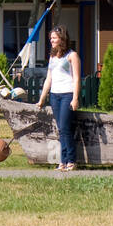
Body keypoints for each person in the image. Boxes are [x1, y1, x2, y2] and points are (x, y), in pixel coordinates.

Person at [36, 25, 81, 170]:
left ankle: (71, 160)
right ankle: (63, 161)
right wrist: (42, 98)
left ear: (62, 39)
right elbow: (49, 78)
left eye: (54, 38)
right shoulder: (53, 56)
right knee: (60, 129)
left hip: (67, 94)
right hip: (55, 96)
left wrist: (75, 98)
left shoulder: (72, 56)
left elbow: (77, 79)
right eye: (50, 38)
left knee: (65, 128)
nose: (51, 40)